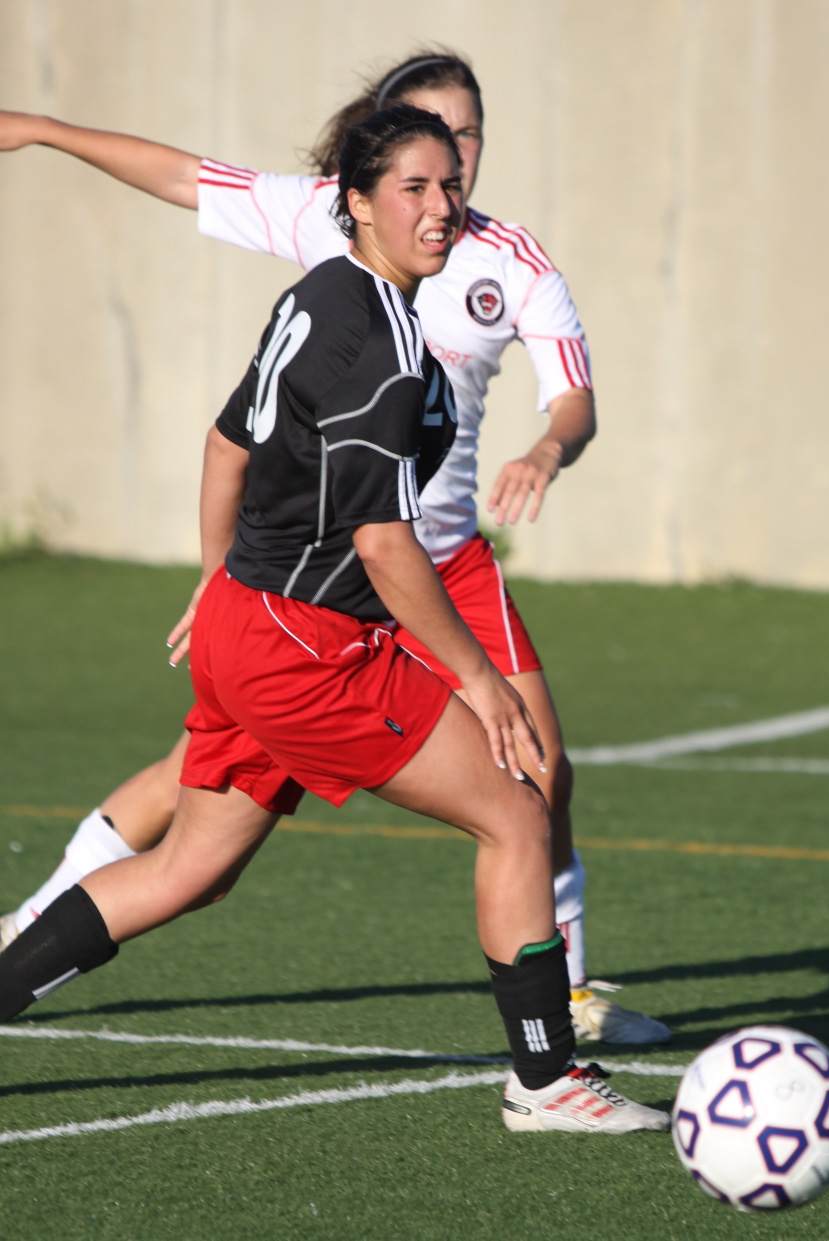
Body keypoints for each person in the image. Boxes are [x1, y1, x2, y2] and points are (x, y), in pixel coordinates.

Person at [0, 107, 667, 1136]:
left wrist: (220, 582)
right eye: (414, 188)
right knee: (518, 809)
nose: (441, 207)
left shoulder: (318, 292)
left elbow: (226, 444)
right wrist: (479, 680)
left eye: (451, 184)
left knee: (190, 868)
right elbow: (385, 547)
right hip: (307, 646)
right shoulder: (387, 348)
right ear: (355, 201)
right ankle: (545, 1080)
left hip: (251, 621)